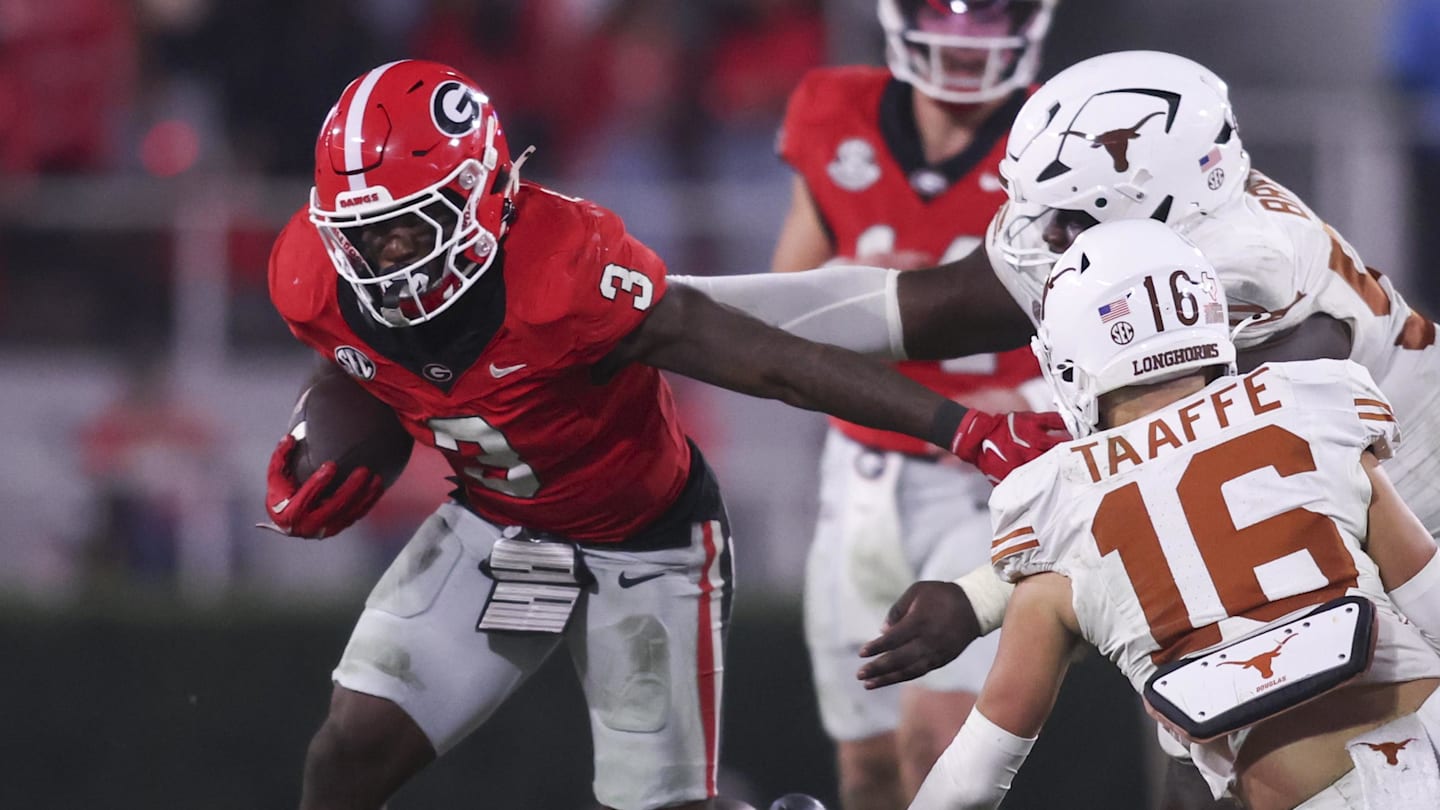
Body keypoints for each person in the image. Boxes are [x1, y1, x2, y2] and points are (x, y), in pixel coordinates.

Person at [262, 60, 1063, 810]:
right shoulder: (310, 275)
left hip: (644, 545)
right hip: (495, 525)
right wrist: (322, 421)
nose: (387, 257)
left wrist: (962, 427)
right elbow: (353, 360)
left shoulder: (568, 269)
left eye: (412, 225)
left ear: (480, 193)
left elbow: (773, 363)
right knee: (347, 753)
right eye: (367, 233)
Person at [672, 49, 1440, 685]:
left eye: (1077, 215)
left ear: (1165, 204)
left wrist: (976, 600)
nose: (1049, 235)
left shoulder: (1253, 281)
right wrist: (676, 300)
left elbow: (1154, 481)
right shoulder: (1155, 235)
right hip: (1301, 504)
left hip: (1406, 500)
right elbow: (914, 306)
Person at [908, 218, 1440, 810]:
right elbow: (1433, 600)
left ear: (1067, 359)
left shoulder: (1054, 517)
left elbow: (970, 779)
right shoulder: (1309, 409)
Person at [768, 2, 1053, 807]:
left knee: (940, 741)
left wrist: (1028, 394)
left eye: (988, 15)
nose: (965, 40)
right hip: (857, 473)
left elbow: (1104, 306)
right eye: (947, 14)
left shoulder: (1057, 130)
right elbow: (786, 295)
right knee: (869, 768)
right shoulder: (834, 109)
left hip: (982, 476)